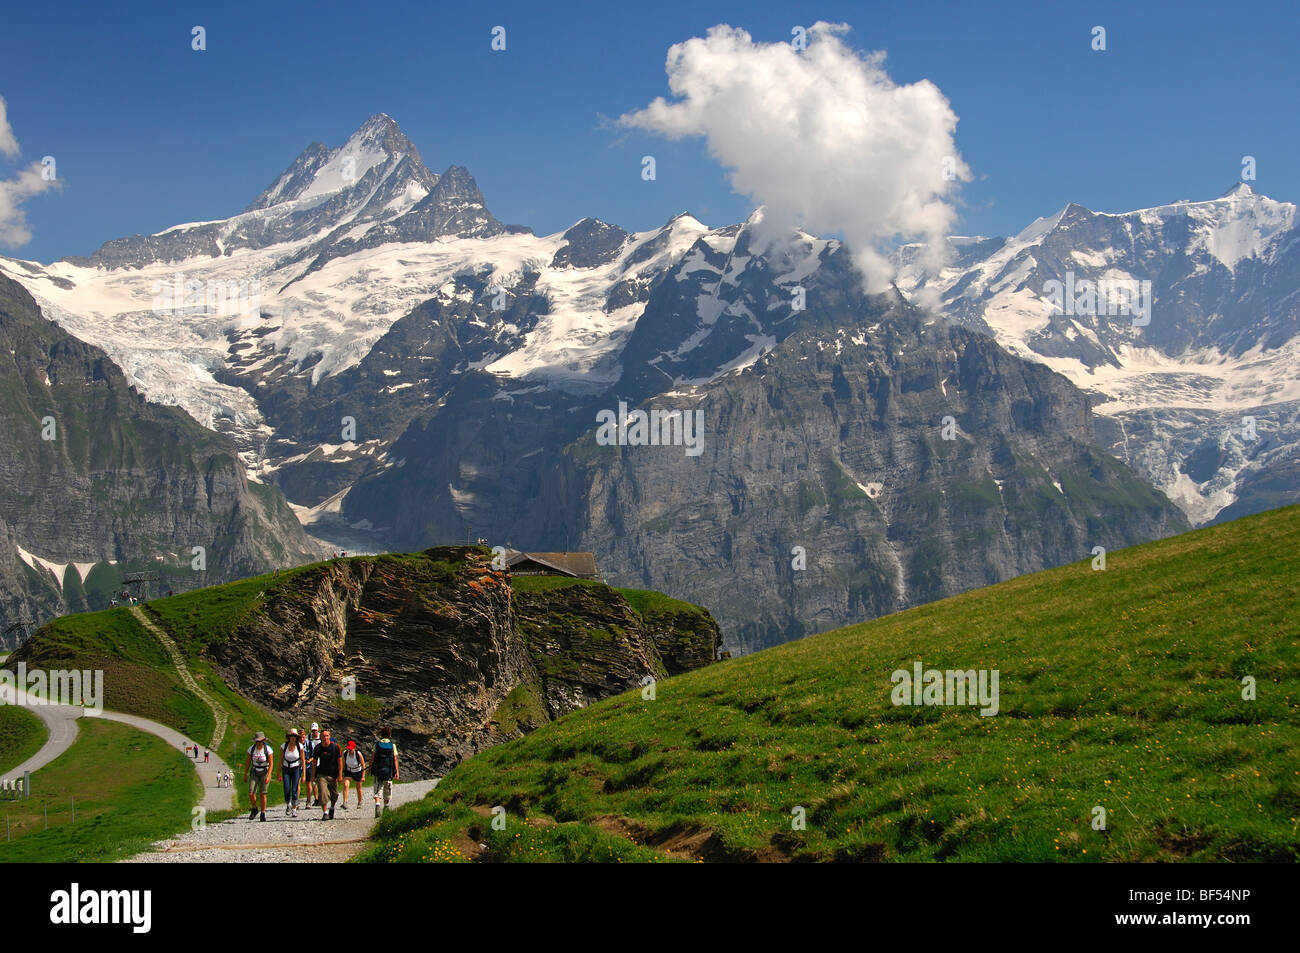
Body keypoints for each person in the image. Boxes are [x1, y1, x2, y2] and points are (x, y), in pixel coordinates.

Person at [312, 728, 343, 821]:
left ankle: (332, 807)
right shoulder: (318, 748)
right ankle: (325, 812)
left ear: (330, 736)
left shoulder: (336, 747)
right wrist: (313, 775)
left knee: (334, 795)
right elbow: (314, 762)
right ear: (320, 737)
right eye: (323, 736)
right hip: (322, 774)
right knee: (323, 792)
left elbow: (340, 761)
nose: (325, 738)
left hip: (333, 775)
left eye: (327, 736)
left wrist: (340, 774)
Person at [245, 732, 274, 821]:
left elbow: (271, 763)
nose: (258, 743)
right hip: (254, 771)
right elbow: (248, 762)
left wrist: (269, 775)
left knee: (263, 794)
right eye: (257, 741)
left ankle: (263, 813)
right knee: (251, 793)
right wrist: (245, 773)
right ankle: (255, 808)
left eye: (260, 741)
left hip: (265, 771)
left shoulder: (268, 749)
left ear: (263, 741)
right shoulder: (251, 749)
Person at [371, 727, 399, 818]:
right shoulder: (392, 745)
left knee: (377, 787)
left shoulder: (377, 744)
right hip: (389, 771)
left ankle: (377, 804)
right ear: (390, 734)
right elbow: (395, 759)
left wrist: (369, 768)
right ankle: (386, 806)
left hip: (378, 770)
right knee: (387, 789)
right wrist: (397, 771)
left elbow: (373, 757)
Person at [278, 728, 306, 817]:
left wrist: (304, 774)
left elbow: (303, 760)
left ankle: (294, 808)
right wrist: (278, 773)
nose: (292, 738)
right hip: (286, 768)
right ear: (288, 737)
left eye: (294, 736)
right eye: (291, 736)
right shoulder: (284, 746)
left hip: (296, 768)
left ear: (296, 737)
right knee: (286, 788)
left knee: (294, 789)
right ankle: (288, 804)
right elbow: (281, 759)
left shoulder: (300, 746)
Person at [341, 740, 366, 810]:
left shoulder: (358, 754)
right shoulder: (345, 753)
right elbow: (343, 764)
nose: (349, 750)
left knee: (358, 788)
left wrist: (363, 776)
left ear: (354, 748)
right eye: (348, 748)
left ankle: (360, 802)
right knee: (346, 785)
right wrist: (340, 774)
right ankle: (345, 802)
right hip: (348, 771)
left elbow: (363, 766)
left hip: (358, 771)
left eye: (351, 749)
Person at [304, 724, 322, 806]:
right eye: (313, 730)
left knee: (320, 781)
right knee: (313, 781)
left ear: (318, 729)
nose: (314, 731)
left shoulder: (321, 737)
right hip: (312, 762)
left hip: (320, 762)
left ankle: (320, 797)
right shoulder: (308, 737)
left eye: (315, 730)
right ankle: (316, 798)